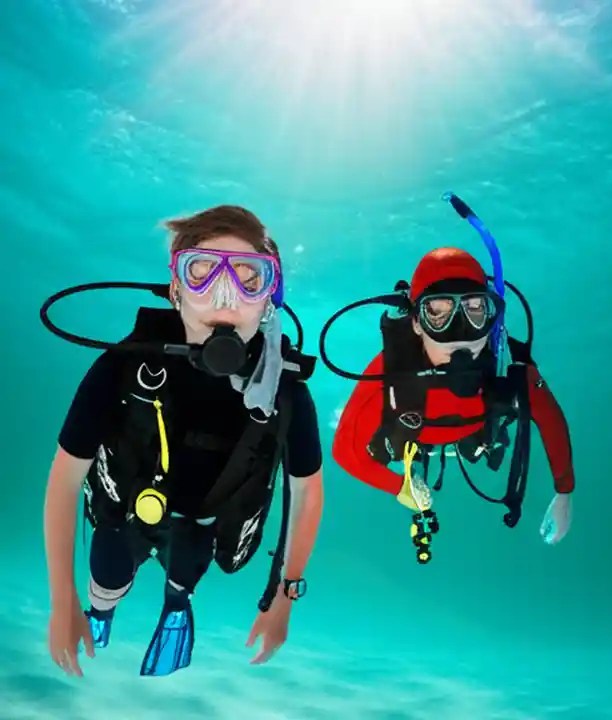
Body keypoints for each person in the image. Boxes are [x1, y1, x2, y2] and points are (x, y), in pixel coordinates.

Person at [40, 205, 324, 678]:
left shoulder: (286, 392)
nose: (225, 295)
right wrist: (62, 600)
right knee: (105, 576)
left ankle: (175, 605)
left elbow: (309, 491)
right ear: (176, 290)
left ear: (269, 298)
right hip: (126, 510)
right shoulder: (121, 366)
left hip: (202, 522)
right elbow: (65, 479)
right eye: (202, 272)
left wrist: (285, 597)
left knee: (184, 573)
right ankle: (102, 612)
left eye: (250, 277)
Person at [322, 193, 574, 564]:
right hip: (411, 433)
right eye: (438, 314)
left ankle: (440, 457)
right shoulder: (389, 369)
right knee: (400, 447)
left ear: (492, 316)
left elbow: (551, 419)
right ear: (415, 323)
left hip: (472, 435)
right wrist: (400, 486)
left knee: (481, 447)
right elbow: (345, 451)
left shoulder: (507, 365)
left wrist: (564, 492)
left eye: (474, 310)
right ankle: (416, 461)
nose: (460, 331)